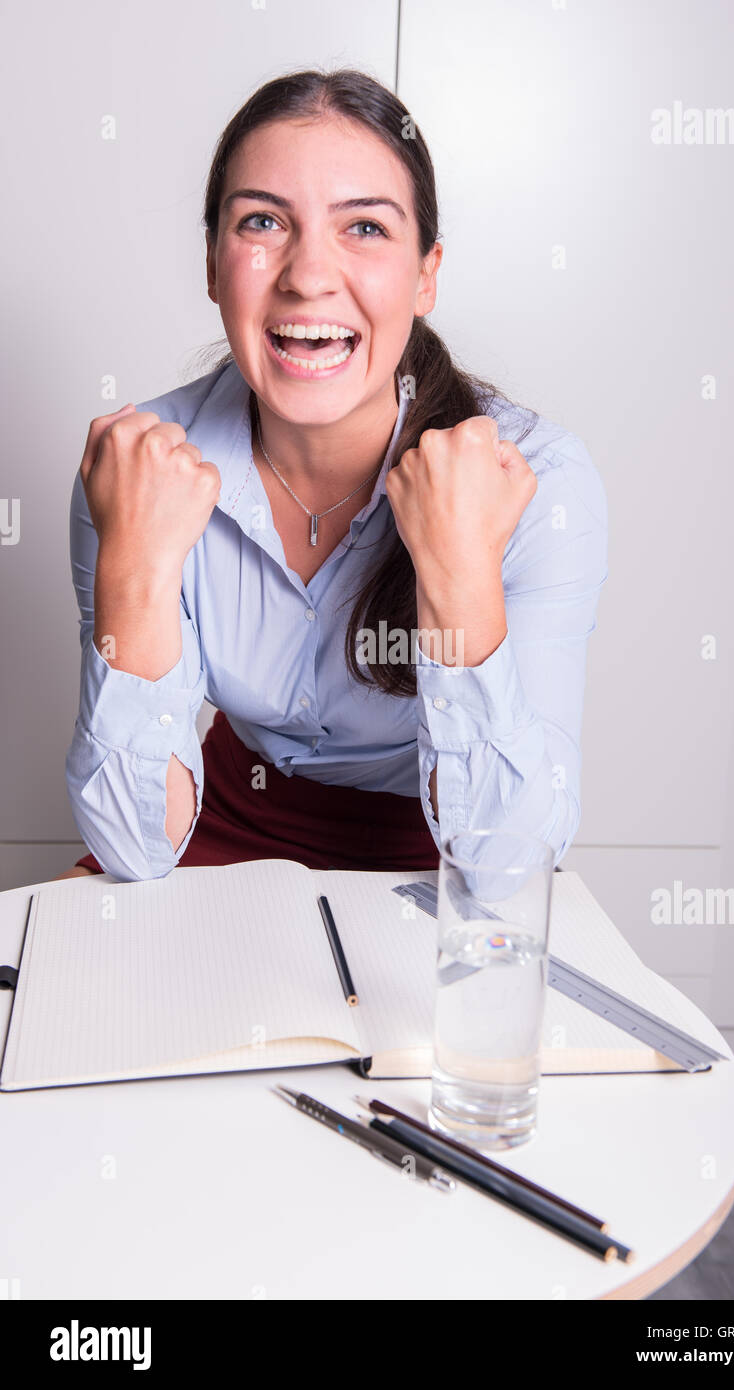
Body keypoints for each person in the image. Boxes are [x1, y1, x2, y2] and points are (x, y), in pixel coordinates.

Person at [56, 67, 607, 884]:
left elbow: (507, 863)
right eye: (263, 221)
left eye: (365, 228)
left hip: (441, 837)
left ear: (426, 274)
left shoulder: (537, 481)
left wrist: (457, 572)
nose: (308, 274)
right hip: (220, 816)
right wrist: (134, 567)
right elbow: (134, 847)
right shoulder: (138, 469)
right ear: (213, 265)